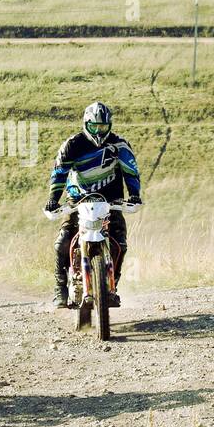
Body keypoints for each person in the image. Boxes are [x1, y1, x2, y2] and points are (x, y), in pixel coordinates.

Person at [44, 102, 142, 309]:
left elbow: (131, 172)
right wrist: (53, 199)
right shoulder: (72, 145)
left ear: (110, 126)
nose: (99, 131)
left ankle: (112, 286)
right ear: (85, 124)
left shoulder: (120, 145)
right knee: (62, 243)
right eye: (94, 127)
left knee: (120, 244)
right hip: (77, 200)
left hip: (110, 202)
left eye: (103, 127)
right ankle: (60, 290)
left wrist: (134, 195)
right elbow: (59, 173)